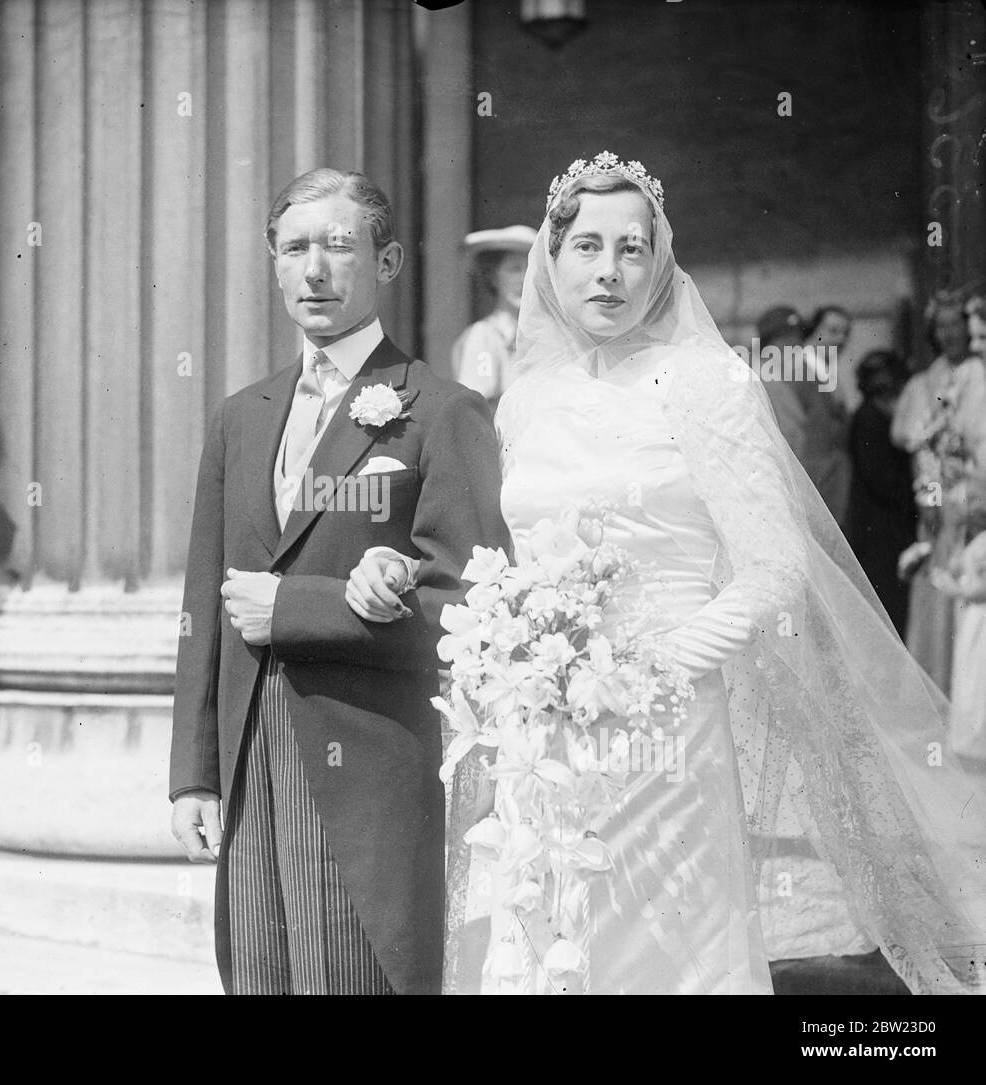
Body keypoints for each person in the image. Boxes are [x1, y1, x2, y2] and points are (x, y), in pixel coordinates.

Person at [348, 152, 985, 994]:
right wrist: (399, 565)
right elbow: (488, 556)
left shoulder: (706, 383)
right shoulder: (527, 398)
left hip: (667, 729)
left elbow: (776, 567)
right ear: (553, 258)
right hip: (542, 734)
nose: (609, 270)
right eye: (587, 246)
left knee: (661, 956)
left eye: (632, 249)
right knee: (544, 941)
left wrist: (654, 668)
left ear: (660, 262)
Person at [167, 168, 509, 995]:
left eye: (339, 245)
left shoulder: (441, 409)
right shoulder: (240, 414)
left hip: (367, 762)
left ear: (387, 262)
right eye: (295, 248)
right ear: (274, 263)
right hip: (252, 758)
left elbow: (479, 609)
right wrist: (194, 772)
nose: (314, 268)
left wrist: (299, 608)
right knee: (260, 976)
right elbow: (203, 607)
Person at [890, 300, 986, 693]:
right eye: (941, 326)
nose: (949, 334)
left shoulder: (978, 373)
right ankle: (938, 684)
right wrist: (929, 497)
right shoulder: (928, 384)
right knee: (942, 578)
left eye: (956, 325)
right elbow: (921, 446)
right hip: (945, 501)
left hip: (978, 493)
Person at [759, 305, 852, 526]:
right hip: (809, 489)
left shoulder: (814, 374)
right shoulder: (779, 377)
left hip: (826, 487)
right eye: (783, 342)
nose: (792, 347)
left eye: (796, 340)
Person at [845, 350, 915, 635]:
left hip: (882, 527)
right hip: (878, 531)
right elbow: (882, 480)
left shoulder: (874, 415)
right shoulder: (869, 419)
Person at [451, 226, 537, 408]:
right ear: (493, 277)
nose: (524, 279)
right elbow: (477, 405)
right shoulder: (484, 336)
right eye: (514, 269)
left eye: (530, 269)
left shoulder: (541, 335)